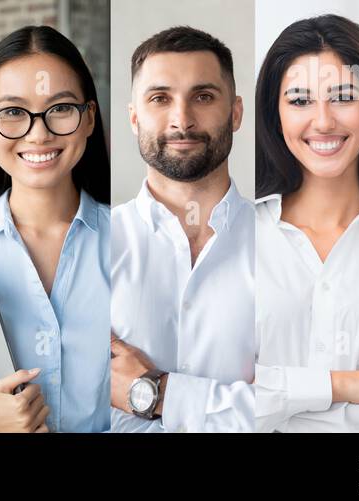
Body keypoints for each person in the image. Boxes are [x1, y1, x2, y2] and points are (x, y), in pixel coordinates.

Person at [251, 14, 359, 433]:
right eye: (299, 101)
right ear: (275, 116)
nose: (323, 121)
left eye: (343, 97)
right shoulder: (236, 236)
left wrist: (281, 394)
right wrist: (350, 386)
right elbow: (218, 397)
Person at [108, 26, 255, 433]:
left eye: (203, 97)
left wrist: (155, 394)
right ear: (134, 117)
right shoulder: (88, 245)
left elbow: (302, 411)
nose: (182, 120)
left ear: (236, 112)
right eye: (160, 98)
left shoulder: (287, 246)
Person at [0, 26, 112, 433]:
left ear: (89, 119)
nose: (39, 132)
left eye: (60, 108)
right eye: (13, 112)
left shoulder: (136, 246)